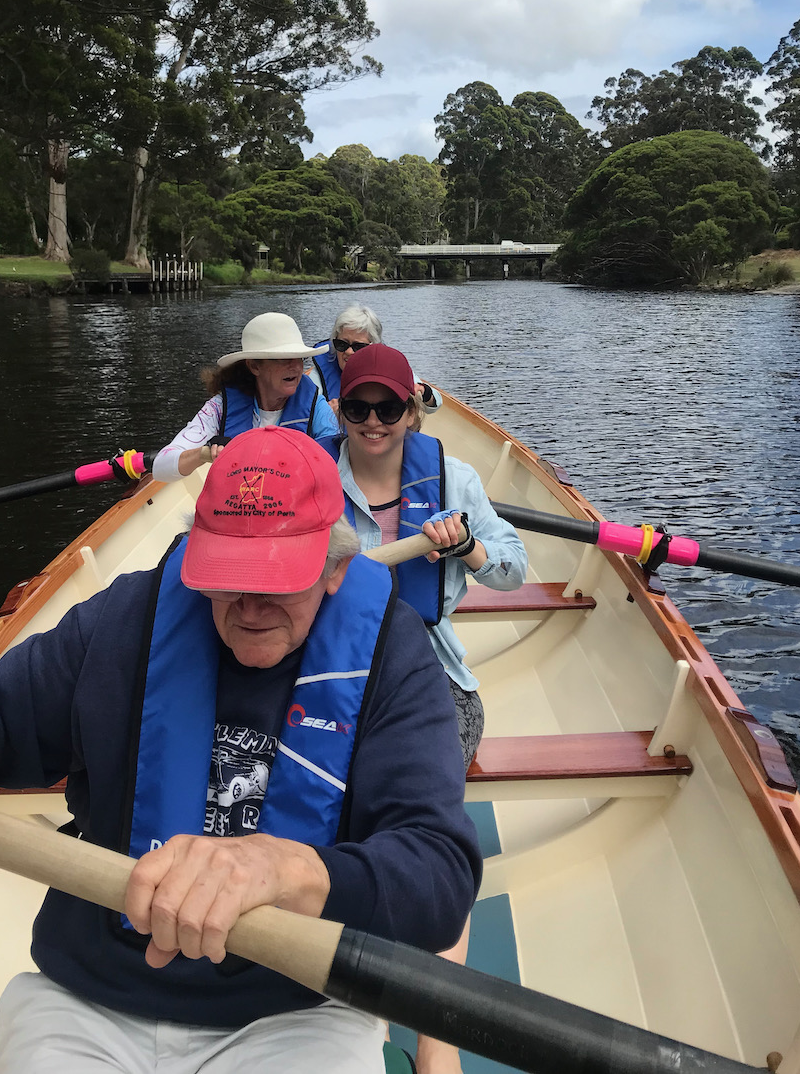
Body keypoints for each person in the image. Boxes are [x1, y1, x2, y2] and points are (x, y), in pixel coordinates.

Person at [0, 427, 481, 1074]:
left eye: (278, 580)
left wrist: (287, 869)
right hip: (89, 1001)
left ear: (337, 568)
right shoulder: (127, 619)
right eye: (228, 578)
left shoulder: (393, 658)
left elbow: (439, 873)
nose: (251, 606)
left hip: (293, 1013)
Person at [320, 342, 527, 1074]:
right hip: (332, 674)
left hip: (431, 681)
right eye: (357, 407)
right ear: (339, 409)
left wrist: (466, 547)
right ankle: (363, 1024)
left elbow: (513, 569)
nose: (373, 422)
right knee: (332, 821)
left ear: (410, 411)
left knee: (428, 844)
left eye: (388, 407)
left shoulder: (455, 479)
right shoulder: (316, 472)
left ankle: (436, 1046)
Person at [153, 312, 339, 479]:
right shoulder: (219, 408)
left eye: (300, 358)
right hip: (239, 507)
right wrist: (205, 453)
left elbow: (338, 461)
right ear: (254, 366)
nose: (297, 367)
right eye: (284, 358)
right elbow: (161, 465)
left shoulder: (315, 406)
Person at [308, 305, 441, 414]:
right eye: (342, 344)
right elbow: (307, 412)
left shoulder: (390, 364)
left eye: (358, 346)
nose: (348, 352)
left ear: (374, 346)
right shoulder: (317, 377)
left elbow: (435, 404)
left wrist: (422, 392)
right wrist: (324, 413)